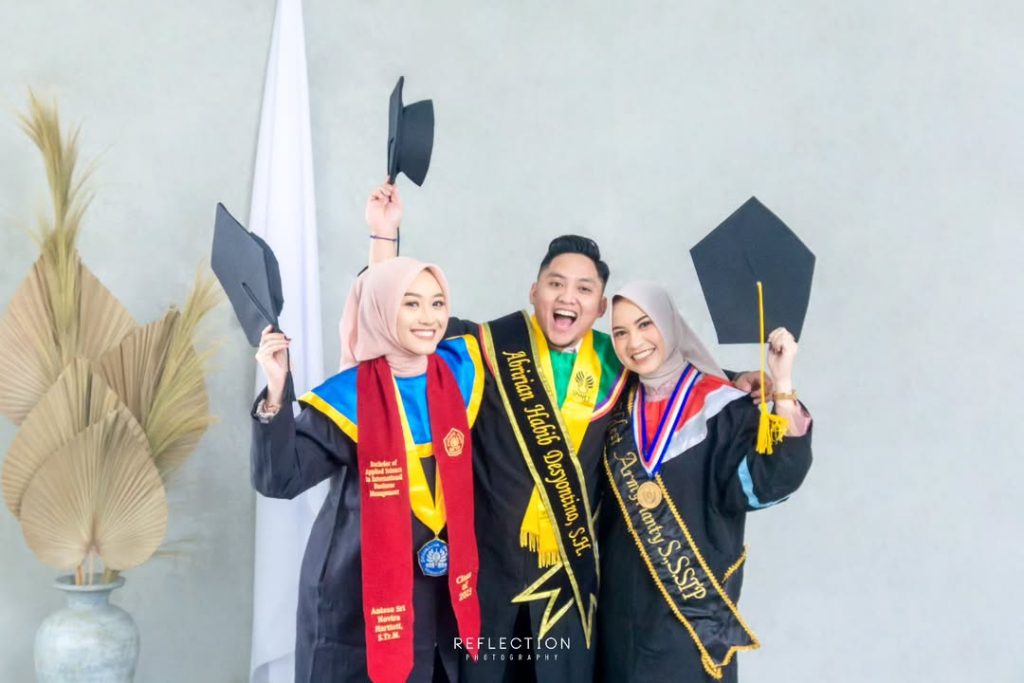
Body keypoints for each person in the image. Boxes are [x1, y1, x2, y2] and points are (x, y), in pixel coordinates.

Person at [365, 184, 770, 683]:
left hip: (571, 595)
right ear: (534, 292)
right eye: (556, 284)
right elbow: (398, 329)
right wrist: (384, 237)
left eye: (584, 289)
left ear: (600, 307)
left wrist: (739, 380)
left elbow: (676, 379)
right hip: (489, 589)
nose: (568, 297)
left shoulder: (619, 363)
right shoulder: (485, 347)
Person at [250, 257, 485, 683]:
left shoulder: (460, 373)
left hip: (440, 601)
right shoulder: (348, 397)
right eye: (410, 304)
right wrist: (276, 391)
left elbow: (385, 281)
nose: (429, 318)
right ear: (382, 311)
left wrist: (384, 234)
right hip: (356, 600)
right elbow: (280, 479)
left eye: (437, 304)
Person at [598, 281, 813, 682]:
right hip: (617, 619)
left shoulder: (722, 408)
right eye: (620, 332)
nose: (634, 342)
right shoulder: (611, 404)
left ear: (670, 324)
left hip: (689, 624)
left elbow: (769, 481)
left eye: (646, 324)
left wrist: (781, 383)